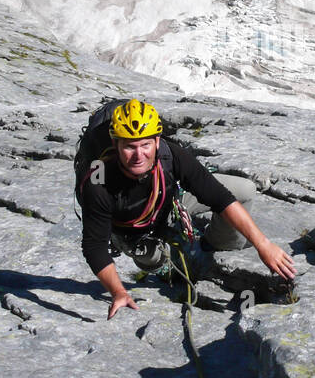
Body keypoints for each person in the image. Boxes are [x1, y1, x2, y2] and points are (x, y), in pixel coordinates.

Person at [81, 99, 297, 318]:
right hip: (133, 230)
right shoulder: (99, 182)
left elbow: (219, 197)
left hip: (166, 200)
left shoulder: (170, 155)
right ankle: (167, 267)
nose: (139, 155)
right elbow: (94, 247)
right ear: (116, 144)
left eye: (145, 145)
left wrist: (263, 245)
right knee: (155, 261)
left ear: (157, 141)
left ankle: (215, 248)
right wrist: (118, 292)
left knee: (245, 190)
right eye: (129, 146)